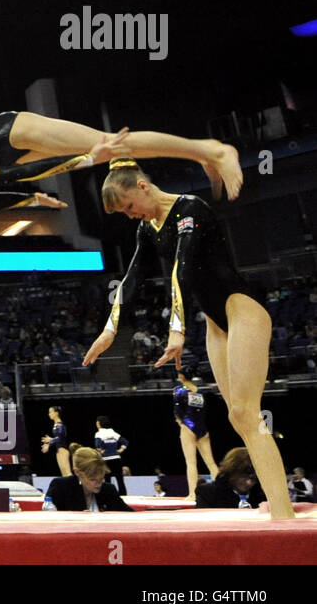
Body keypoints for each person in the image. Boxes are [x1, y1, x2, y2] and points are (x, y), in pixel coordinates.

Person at [84, 160, 295, 519]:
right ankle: (277, 503)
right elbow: (132, 277)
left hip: (242, 310)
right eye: (124, 212)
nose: (130, 215)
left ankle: (283, 512)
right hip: (216, 323)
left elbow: (181, 268)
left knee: (247, 411)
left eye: (129, 206)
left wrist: (177, 330)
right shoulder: (148, 229)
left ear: (142, 186)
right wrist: (108, 330)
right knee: (238, 417)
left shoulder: (190, 209)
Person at [0, 116, 242, 278]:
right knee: (110, 147)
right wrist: (31, 202)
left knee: (113, 144)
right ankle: (202, 152)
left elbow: (5, 176)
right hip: (10, 153)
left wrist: (84, 159)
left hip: (12, 135)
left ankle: (212, 149)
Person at [172, 372, 219, 500]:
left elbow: (177, 410)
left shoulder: (180, 391)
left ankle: (193, 494)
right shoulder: (200, 392)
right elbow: (202, 411)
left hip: (188, 427)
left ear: (181, 377)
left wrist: (181, 423)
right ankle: (221, 490)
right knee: (211, 463)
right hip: (202, 428)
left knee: (191, 463)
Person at [44, 447, 133, 512]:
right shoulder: (60, 488)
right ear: (77, 472)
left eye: (101, 479)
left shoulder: (109, 490)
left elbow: (130, 515)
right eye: (93, 479)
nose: (99, 484)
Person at [194, 447, 264, 509]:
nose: (249, 482)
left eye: (253, 478)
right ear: (231, 471)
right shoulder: (207, 493)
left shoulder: (262, 497)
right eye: (244, 476)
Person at [93, 416, 129, 495]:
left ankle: (109, 495)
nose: (96, 423)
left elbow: (97, 445)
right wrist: (120, 450)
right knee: (120, 479)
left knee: (107, 479)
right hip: (116, 458)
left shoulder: (99, 433)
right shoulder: (113, 432)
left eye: (97, 422)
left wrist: (101, 451)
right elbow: (125, 442)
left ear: (99, 423)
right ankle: (123, 496)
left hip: (106, 459)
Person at [40, 406, 71, 477]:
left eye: (50, 412)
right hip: (59, 450)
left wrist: (50, 440)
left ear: (56, 413)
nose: (49, 414)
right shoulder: (56, 425)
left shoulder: (60, 424)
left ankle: (73, 487)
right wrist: (49, 444)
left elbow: (60, 438)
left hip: (63, 450)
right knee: (64, 474)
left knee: (68, 473)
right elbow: (57, 439)